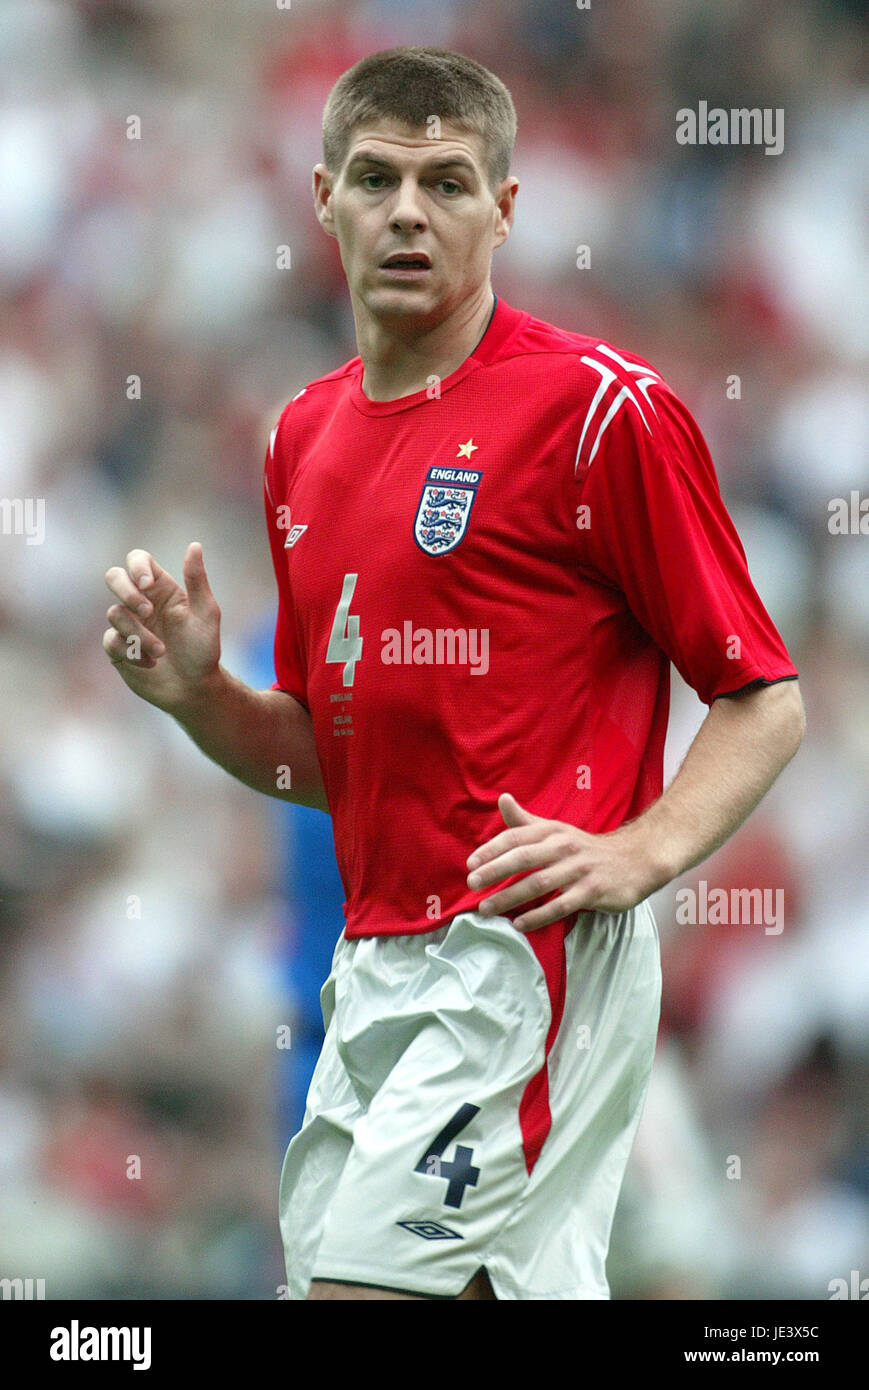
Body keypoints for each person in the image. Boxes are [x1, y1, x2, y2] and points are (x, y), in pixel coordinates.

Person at [102, 47, 805, 1301]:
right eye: (376, 178)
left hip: (513, 953)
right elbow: (335, 762)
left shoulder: (597, 414)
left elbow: (762, 693)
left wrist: (638, 853)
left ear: (507, 207)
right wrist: (200, 697)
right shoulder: (300, 440)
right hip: (371, 965)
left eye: (447, 182)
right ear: (322, 196)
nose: (409, 212)